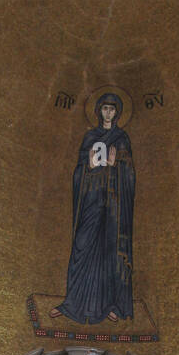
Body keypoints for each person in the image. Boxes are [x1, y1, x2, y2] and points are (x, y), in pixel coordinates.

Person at [52, 94, 135, 324]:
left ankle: (109, 305)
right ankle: (73, 303)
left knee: (109, 254)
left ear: (116, 113)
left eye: (112, 109)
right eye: (105, 108)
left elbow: (129, 174)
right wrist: (87, 167)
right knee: (82, 245)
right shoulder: (90, 137)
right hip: (91, 200)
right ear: (99, 111)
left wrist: (115, 165)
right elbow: (79, 172)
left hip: (112, 206)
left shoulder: (121, 138)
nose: (108, 113)